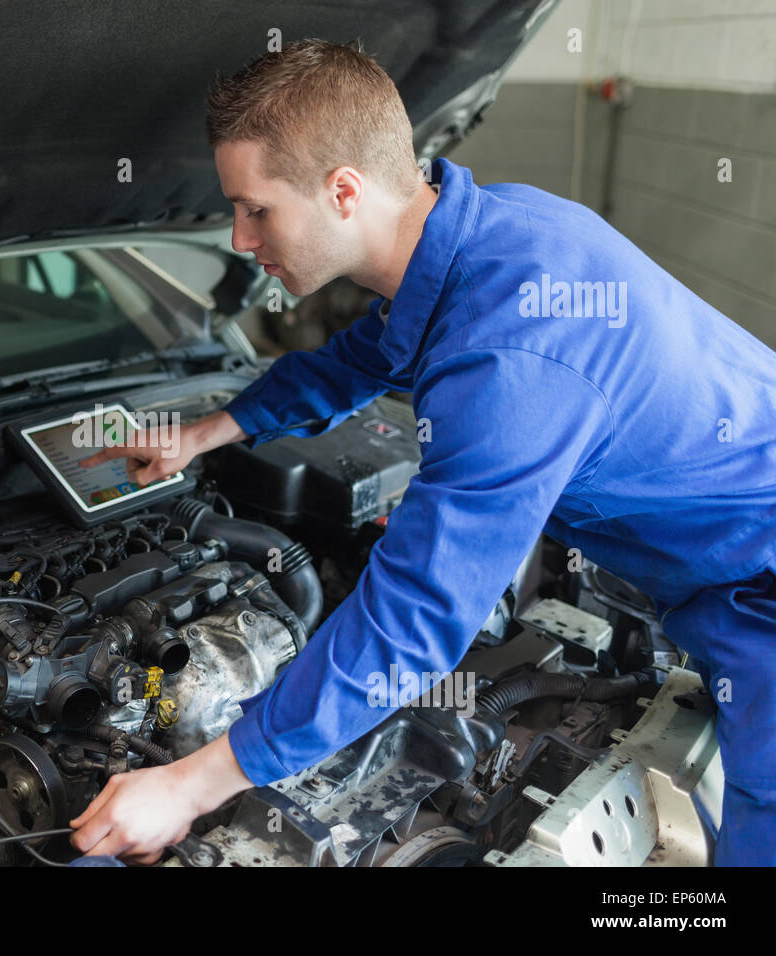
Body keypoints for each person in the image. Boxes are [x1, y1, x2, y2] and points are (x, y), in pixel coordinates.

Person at [67, 38, 776, 866]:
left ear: (342, 190)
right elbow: (367, 356)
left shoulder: (509, 358)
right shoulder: (483, 236)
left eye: (255, 208)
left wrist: (191, 784)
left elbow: (413, 622)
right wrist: (209, 432)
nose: (237, 236)